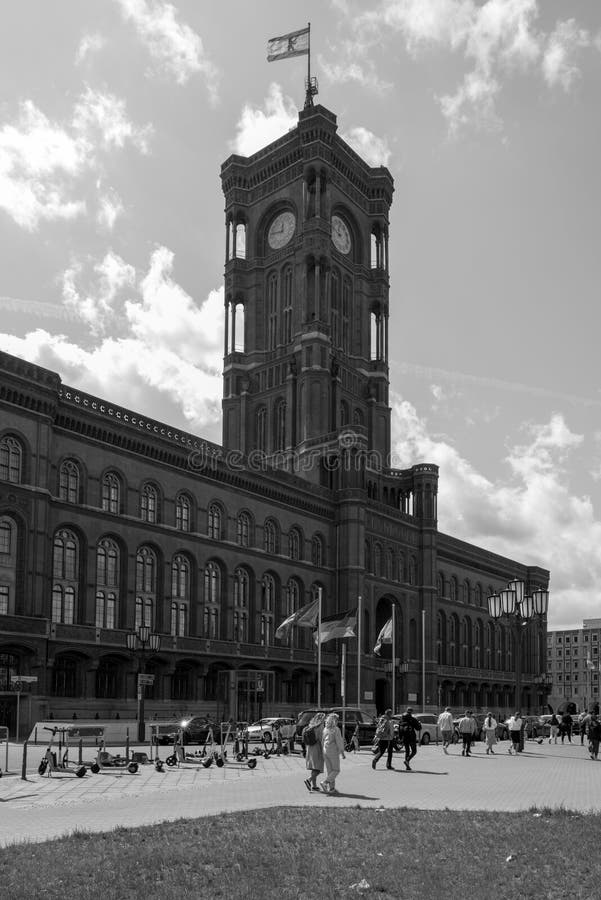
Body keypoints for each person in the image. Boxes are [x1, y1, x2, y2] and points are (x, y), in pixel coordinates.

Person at [321, 712, 346, 793]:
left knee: (330, 771)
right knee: (336, 770)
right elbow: (339, 742)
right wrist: (342, 752)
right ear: (335, 720)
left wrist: (323, 750)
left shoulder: (325, 729)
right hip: (333, 751)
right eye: (337, 719)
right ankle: (325, 782)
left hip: (325, 751)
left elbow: (322, 741)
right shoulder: (336, 729)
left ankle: (332, 789)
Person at [303, 712, 325, 792]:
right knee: (318, 768)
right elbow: (321, 740)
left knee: (314, 768)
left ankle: (314, 786)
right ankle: (309, 780)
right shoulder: (320, 727)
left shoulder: (311, 725)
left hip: (309, 748)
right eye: (324, 718)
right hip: (317, 749)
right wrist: (324, 751)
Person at [399, 707, 422, 771]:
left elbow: (399, 729)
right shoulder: (412, 719)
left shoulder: (401, 720)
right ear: (411, 712)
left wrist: (400, 738)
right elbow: (418, 728)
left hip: (404, 737)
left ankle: (407, 766)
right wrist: (419, 723)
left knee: (407, 751)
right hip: (411, 737)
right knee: (414, 751)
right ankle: (407, 761)